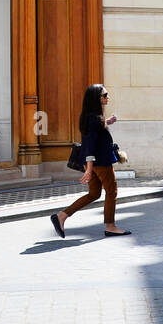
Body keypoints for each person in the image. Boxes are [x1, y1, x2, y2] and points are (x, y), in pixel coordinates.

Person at [49, 84, 130, 238]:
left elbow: (96, 131)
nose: (108, 97)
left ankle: (62, 216)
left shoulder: (92, 117)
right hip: (100, 163)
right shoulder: (94, 119)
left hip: (95, 163)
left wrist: (108, 122)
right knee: (111, 192)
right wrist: (89, 169)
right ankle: (110, 226)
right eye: (105, 95)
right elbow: (90, 145)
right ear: (96, 98)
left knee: (94, 194)